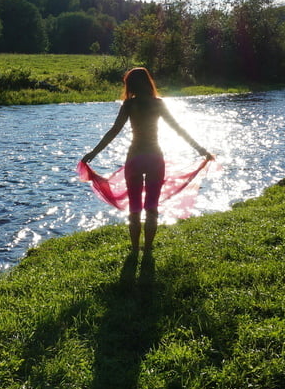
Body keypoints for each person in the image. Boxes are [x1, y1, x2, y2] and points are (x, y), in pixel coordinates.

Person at [81, 67, 213, 258]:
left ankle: (135, 250)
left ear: (131, 85)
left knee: (135, 208)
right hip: (154, 158)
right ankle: (148, 250)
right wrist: (201, 150)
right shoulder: (158, 104)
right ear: (148, 82)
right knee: (151, 207)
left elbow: (113, 132)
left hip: (134, 158)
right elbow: (178, 129)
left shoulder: (128, 105)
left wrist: (93, 152)